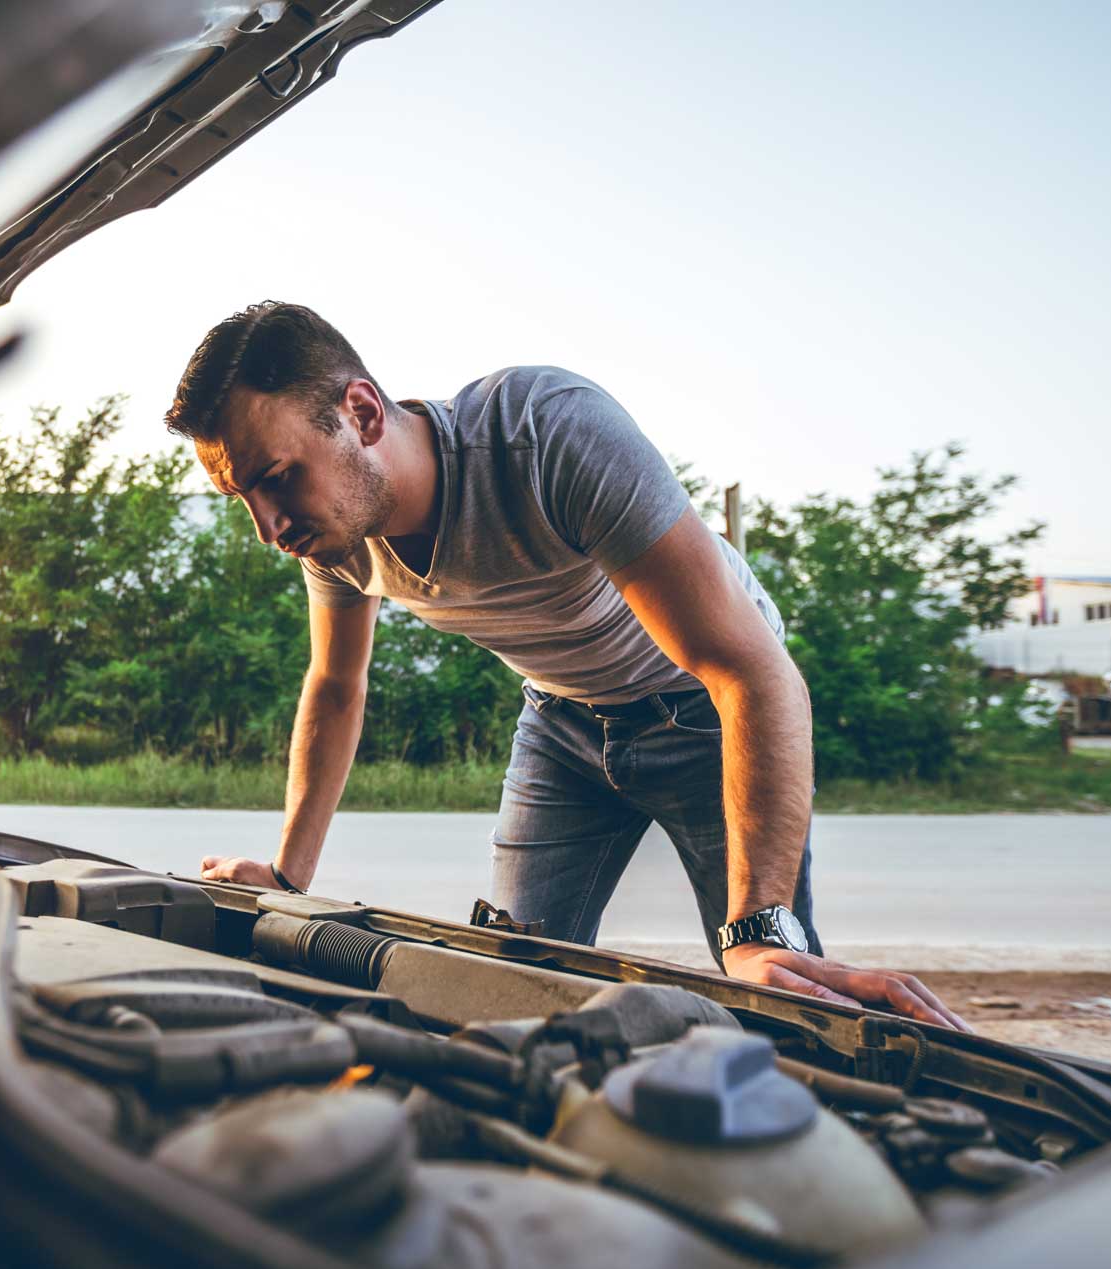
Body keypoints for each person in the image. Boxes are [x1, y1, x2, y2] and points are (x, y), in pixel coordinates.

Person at [164, 301, 969, 1031]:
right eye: (243, 497)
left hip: (701, 709)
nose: (268, 527)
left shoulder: (546, 433)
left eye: (275, 480)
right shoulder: (333, 535)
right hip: (560, 725)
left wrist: (759, 925)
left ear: (362, 413)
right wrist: (286, 878)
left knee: (780, 992)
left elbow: (752, 672)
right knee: (502, 993)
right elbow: (337, 687)